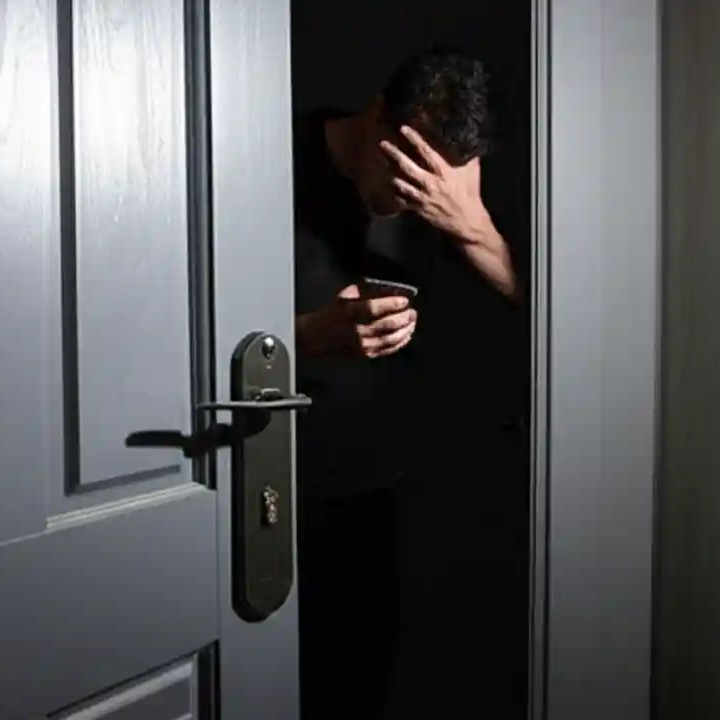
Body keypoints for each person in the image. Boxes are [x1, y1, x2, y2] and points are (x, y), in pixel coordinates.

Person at [292, 45, 523, 717]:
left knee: (356, 690)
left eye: (434, 183)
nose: (412, 195)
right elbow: (178, 339)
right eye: (404, 170)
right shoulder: (271, 157)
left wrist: (473, 228)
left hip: (373, 491)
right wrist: (310, 336)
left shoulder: (455, 205)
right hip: (266, 481)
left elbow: (561, 329)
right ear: (377, 118)